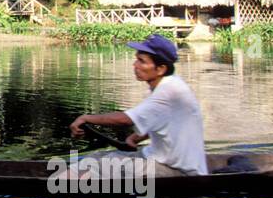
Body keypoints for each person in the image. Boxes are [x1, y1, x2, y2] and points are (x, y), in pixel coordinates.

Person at [69, 34, 208, 177]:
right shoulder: (168, 85)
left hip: (177, 171)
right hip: (158, 159)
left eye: (141, 61)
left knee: (98, 164)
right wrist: (137, 137)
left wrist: (86, 118)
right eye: (137, 59)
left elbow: (125, 119)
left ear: (160, 69)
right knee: (96, 157)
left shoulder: (169, 92)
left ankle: (57, 185)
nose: (135, 65)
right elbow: (162, 120)